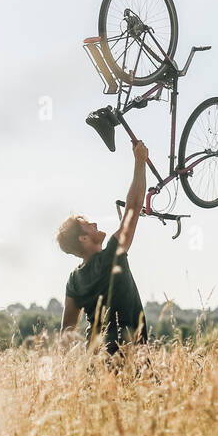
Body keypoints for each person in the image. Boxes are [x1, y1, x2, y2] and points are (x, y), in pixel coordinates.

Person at [56, 139, 150, 356]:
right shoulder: (112, 255)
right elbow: (134, 207)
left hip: (96, 358)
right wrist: (140, 161)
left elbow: (67, 330)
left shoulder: (73, 280)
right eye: (87, 225)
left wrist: (65, 373)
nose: (94, 224)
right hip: (129, 355)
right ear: (83, 239)